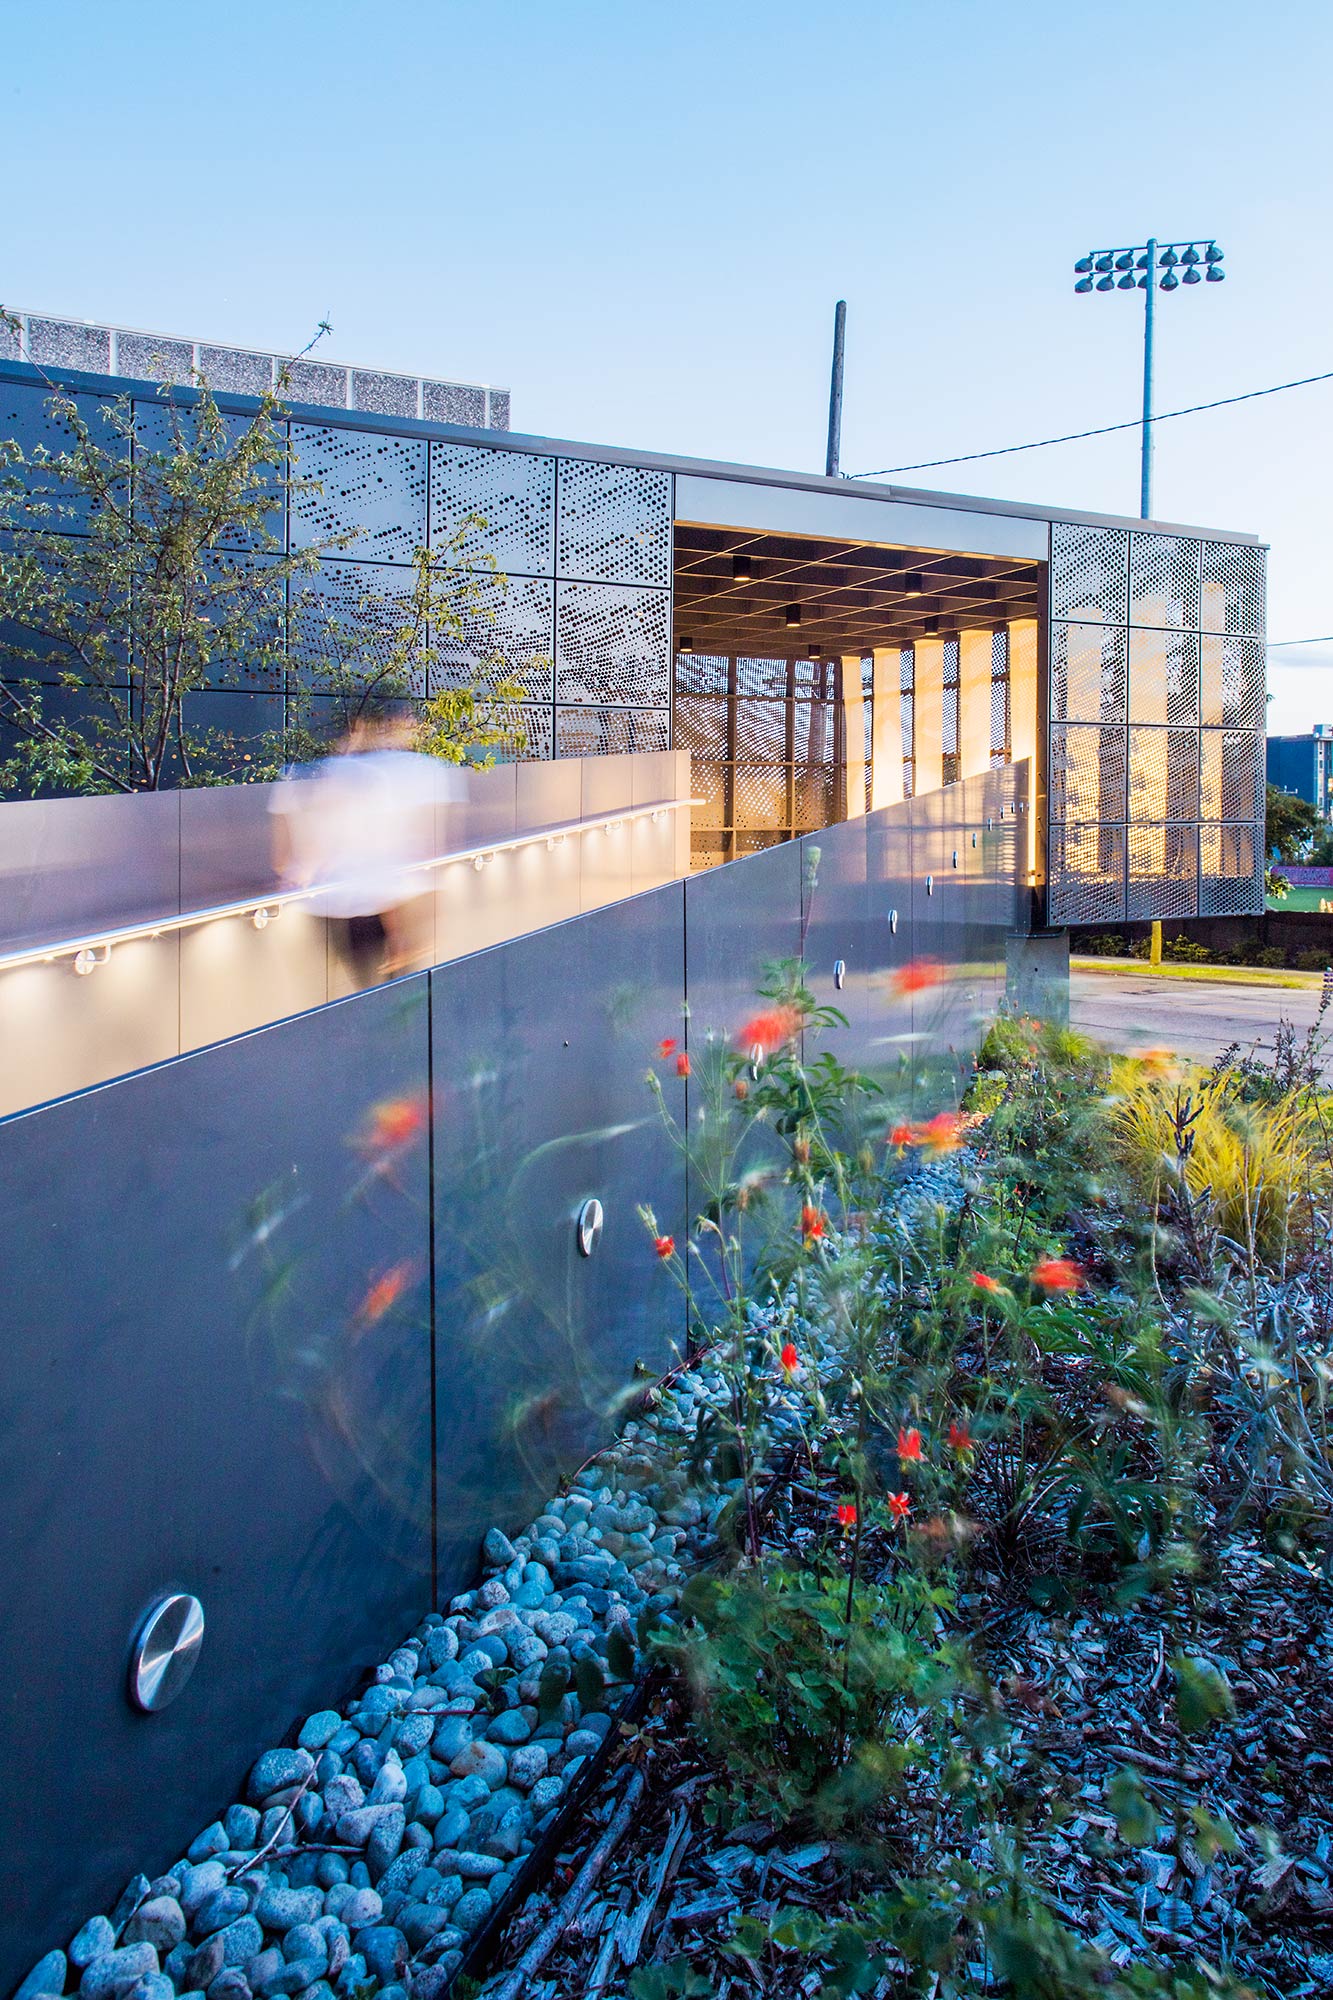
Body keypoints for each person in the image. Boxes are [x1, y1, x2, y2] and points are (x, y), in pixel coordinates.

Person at [269, 717, 469, 986]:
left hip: (322, 905)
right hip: (379, 902)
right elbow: (411, 852)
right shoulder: (373, 778)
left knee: (357, 987)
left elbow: (282, 860)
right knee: (392, 988)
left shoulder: (294, 777)